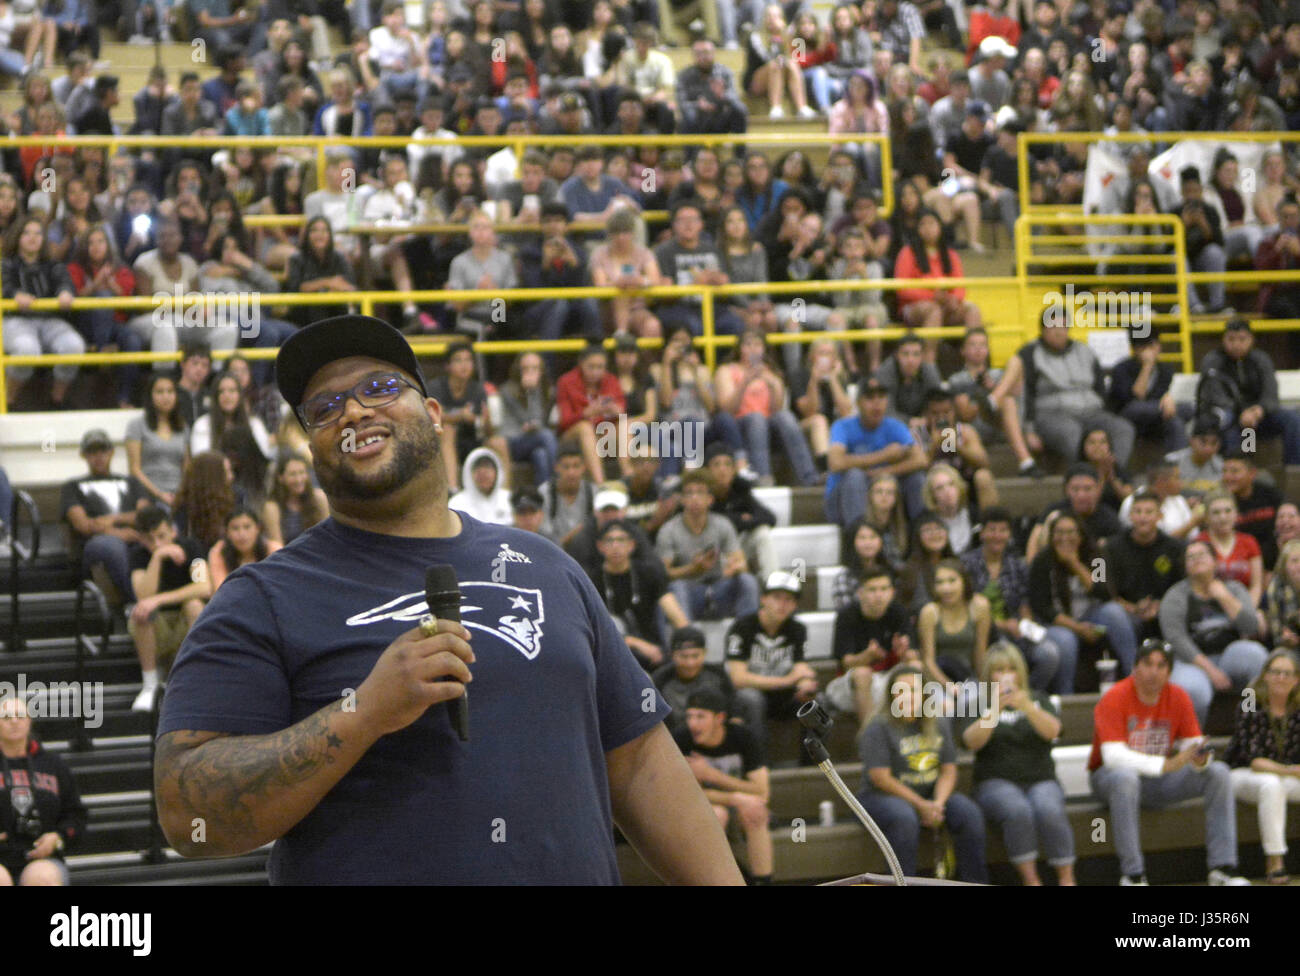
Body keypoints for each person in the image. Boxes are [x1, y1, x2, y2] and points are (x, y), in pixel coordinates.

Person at [155, 314, 744, 884]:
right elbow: (187, 813)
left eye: (380, 388)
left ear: (434, 415)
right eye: (324, 409)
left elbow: (639, 762)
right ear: (312, 448)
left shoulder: (546, 567)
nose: (354, 410)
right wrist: (362, 714)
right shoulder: (262, 597)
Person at [1088, 638, 1250, 886]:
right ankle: (1133, 875)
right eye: (1148, 664)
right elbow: (1113, 756)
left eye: (1161, 665)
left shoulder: (1178, 696)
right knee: (1125, 778)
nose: (1154, 671)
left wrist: (1200, 758)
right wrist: (1164, 765)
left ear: (1170, 672)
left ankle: (1223, 868)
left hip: (1158, 780)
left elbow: (1193, 745)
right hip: (1108, 779)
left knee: (1218, 772)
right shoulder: (1115, 696)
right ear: (1135, 668)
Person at [857, 662, 989, 883]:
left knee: (969, 813)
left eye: (914, 690)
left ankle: (975, 882)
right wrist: (921, 805)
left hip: (929, 794)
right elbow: (880, 778)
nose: (907, 696)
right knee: (904, 818)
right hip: (881, 797)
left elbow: (948, 770)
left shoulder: (938, 722)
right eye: (901, 691)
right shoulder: (877, 727)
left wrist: (937, 803)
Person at [961, 643, 1076, 886]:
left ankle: (1067, 879)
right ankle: (1031, 880)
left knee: (1050, 809)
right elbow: (971, 741)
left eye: (1011, 669)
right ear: (988, 674)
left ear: (1020, 672)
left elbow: (1053, 731)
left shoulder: (1038, 699)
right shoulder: (979, 703)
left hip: (1040, 779)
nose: (1005, 676)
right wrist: (996, 708)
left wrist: (1026, 706)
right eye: (999, 670)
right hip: (994, 782)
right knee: (1017, 810)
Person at [1159, 539, 1269, 729]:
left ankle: (1252, 725)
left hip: (1230, 655)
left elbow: (1251, 626)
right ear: (1185, 567)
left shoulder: (1234, 588)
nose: (1196, 560)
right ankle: (1194, 743)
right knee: (1193, 691)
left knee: (1257, 655)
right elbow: (1176, 639)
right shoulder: (1175, 595)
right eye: (1190, 557)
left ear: (1215, 561)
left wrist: (1224, 597)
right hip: (1192, 661)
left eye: (1201, 555)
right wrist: (1211, 671)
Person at [1029, 512, 1137, 692]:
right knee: (1066, 639)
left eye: (1071, 532)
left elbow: (1104, 593)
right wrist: (1077, 628)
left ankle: (1133, 676)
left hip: (1091, 614)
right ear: (1052, 536)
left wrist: (1075, 565)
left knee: (1114, 611)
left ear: (1081, 535)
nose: (1065, 538)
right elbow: (1042, 608)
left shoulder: (1096, 557)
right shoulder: (1042, 561)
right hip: (1058, 623)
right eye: (1059, 533)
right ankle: (1067, 696)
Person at [674, 689, 774, 883]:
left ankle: (763, 881)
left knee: (755, 809)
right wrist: (732, 797)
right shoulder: (680, 739)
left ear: (719, 718)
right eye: (689, 717)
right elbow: (678, 795)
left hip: (736, 804)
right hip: (699, 806)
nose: (693, 724)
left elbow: (762, 791)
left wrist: (711, 775)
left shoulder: (743, 737)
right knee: (717, 814)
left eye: (701, 717)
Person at [1224, 650, 1300, 886]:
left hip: (1284, 775)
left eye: (1287, 673)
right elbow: (1254, 760)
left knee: (1275, 784)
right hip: (1241, 774)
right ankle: (1274, 862)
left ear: (1296, 679)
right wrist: (1290, 771)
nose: (1281, 678)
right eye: (1275, 672)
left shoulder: (1297, 709)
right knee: (1271, 785)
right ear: (1265, 675)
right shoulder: (1250, 701)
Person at [128, 504, 211, 712]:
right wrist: (157, 557)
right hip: (157, 626)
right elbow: (143, 595)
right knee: (142, 612)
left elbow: (204, 586)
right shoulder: (138, 555)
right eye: (149, 539)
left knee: (195, 606)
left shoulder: (191, 546)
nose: (157, 543)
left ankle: (196, 681)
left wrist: (160, 599)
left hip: (184, 621)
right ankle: (149, 684)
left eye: (162, 536)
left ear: (173, 530)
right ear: (140, 538)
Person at [713, 329, 819, 488]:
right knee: (757, 419)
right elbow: (727, 410)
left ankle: (809, 477)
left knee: (786, 416)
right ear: (739, 348)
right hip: (740, 425)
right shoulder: (727, 370)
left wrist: (773, 384)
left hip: (768, 424)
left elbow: (777, 408)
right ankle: (763, 477)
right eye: (747, 344)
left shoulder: (771, 372)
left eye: (757, 345)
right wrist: (744, 382)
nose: (752, 349)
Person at [0, 697, 85, 887]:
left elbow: (76, 815)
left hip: (42, 857)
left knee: (42, 878)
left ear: (29, 721)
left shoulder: (54, 765)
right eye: (6, 717)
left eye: (20, 716)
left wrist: (58, 837)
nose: (14, 721)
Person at [1, 215, 84, 408]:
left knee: (74, 346)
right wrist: (14, 295)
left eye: (38, 233)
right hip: (14, 320)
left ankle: (56, 401)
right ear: (17, 237)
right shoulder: (5, 264)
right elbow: (4, 286)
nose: (33, 237)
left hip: (49, 319)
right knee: (27, 349)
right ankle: (7, 402)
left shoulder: (53, 264)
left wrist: (65, 292)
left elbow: (65, 282)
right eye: (27, 233)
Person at [657, 468, 759, 623]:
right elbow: (663, 574)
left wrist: (734, 569)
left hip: (719, 588)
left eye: (700, 493)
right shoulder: (669, 530)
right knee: (676, 588)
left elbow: (741, 563)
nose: (694, 498)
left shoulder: (722, 524)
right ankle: (688, 641)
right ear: (682, 500)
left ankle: (745, 633)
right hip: (689, 592)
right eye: (689, 493)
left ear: (710, 499)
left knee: (747, 580)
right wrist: (692, 569)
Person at [725, 570, 817, 739]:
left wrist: (805, 684)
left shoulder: (798, 629)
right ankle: (759, 763)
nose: (782, 605)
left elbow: (801, 668)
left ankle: (813, 763)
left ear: (795, 605)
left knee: (816, 704)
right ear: (763, 599)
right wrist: (788, 680)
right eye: (776, 597)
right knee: (752, 699)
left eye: (789, 599)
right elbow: (738, 679)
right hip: (749, 696)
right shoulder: (741, 628)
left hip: (783, 696)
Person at [62, 428, 148, 605]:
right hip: (96, 543)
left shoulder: (132, 482)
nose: (99, 456)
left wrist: (113, 519)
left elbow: (145, 516)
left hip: (136, 537)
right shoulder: (73, 486)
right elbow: (83, 525)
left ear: (112, 452)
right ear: (83, 455)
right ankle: (136, 602)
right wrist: (117, 533)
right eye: (92, 452)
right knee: (112, 546)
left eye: (103, 450)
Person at [825, 379, 927, 527]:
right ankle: (858, 536)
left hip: (882, 489)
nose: (876, 403)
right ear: (858, 403)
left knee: (916, 478)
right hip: (841, 498)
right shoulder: (842, 426)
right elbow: (835, 463)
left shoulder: (895, 426)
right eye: (870, 398)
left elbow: (921, 460)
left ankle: (923, 530)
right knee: (855, 476)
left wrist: (883, 471)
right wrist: (883, 456)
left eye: (881, 398)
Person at [1198, 317, 1300, 465]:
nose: (1236, 344)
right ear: (1223, 340)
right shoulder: (1213, 361)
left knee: (1292, 418)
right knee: (1227, 421)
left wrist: (1258, 410)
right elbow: (1214, 395)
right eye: (1231, 339)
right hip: (1230, 417)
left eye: (1242, 339)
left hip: (1258, 417)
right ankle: (1235, 469)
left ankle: (1294, 471)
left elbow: (1271, 394)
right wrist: (1242, 412)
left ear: (1251, 339)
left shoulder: (1261, 359)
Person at [827, 564, 914, 727]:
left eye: (884, 589)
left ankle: (914, 736)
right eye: (872, 590)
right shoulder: (847, 615)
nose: (879, 595)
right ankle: (870, 738)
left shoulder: (899, 612)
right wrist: (867, 656)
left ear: (892, 592)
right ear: (860, 593)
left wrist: (904, 653)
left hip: (888, 678)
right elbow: (846, 663)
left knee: (915, 667)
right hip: (850, 685)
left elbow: (913, 656)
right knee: (862, 674)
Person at [1104, 490, 1187, 644]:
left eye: (1149, 512)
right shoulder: (1109, 547)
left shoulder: (1175, 548)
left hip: (1164, 610)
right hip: (1124, 612)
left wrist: (1161, 605)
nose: (1143, 517)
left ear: (1159, 516)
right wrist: (1129, 607)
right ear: (1130, 515)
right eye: (1138, 511)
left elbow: (1183, 586)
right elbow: (1100, 586)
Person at [705, 443, 777, 582]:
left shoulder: (740, 488)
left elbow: (769, 517)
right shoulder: (702, 491)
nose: (722, 470)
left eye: (727, 464)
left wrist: (740, 521)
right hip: (711, 551)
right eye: (717, 464)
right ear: (708, 470)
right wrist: (740, 518)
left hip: (736, 548)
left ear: (734, 470)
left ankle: (772, 585)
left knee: (762, 532)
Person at [918, 558, 991, 688]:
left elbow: (980, 654)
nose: (946, 588)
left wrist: (984, 687)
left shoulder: (980, 607)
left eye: (952, 581)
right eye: (939, 582)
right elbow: (928, 661)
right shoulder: (929, 612)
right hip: (938, 678)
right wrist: (950, 687)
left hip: (968, 676)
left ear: (964, 582)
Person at [653, 627, 737, 735]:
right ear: (672, 655)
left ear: (705, 653)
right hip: (674, 738)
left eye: (695, 656)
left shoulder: (718, 675)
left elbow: (733, 711)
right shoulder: (659, 680)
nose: (690, 663)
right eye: (684, 656)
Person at [125, 374, 189, 510]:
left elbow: (186, 468)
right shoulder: (137, 425)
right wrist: (160, 495)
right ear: (150, 396)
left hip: (179, 495)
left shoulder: (183, 427)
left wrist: (180, 494)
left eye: (170, 391)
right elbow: (134, 470)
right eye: (160, 392)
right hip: (148, 495)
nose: (166, 396)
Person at [208, 507, 282, 593]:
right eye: (235, 528)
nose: (242, 534)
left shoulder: (274, 549)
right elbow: (220, 589)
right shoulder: (219, 551)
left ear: (257, 529)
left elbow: (279, 585)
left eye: (247, 527)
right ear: (227, 532)